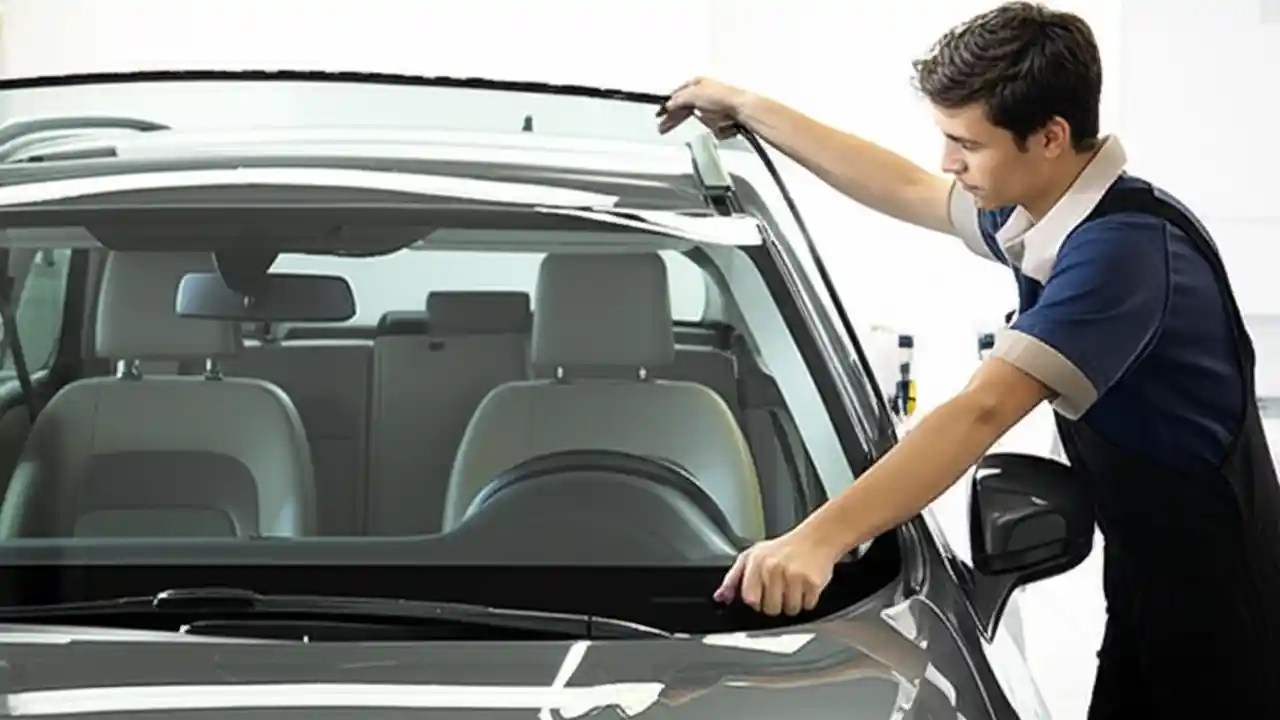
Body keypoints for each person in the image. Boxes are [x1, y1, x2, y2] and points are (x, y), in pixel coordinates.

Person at [658, 2, 1280, 716]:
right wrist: (748, 105)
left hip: (1223, 616)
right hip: (1148, 585)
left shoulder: (1125, 254)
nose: (949, 162)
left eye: (966, 143)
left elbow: (982, 409)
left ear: (1049, 137)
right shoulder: (1046, 208)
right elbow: (907, 189)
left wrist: (817, 541)